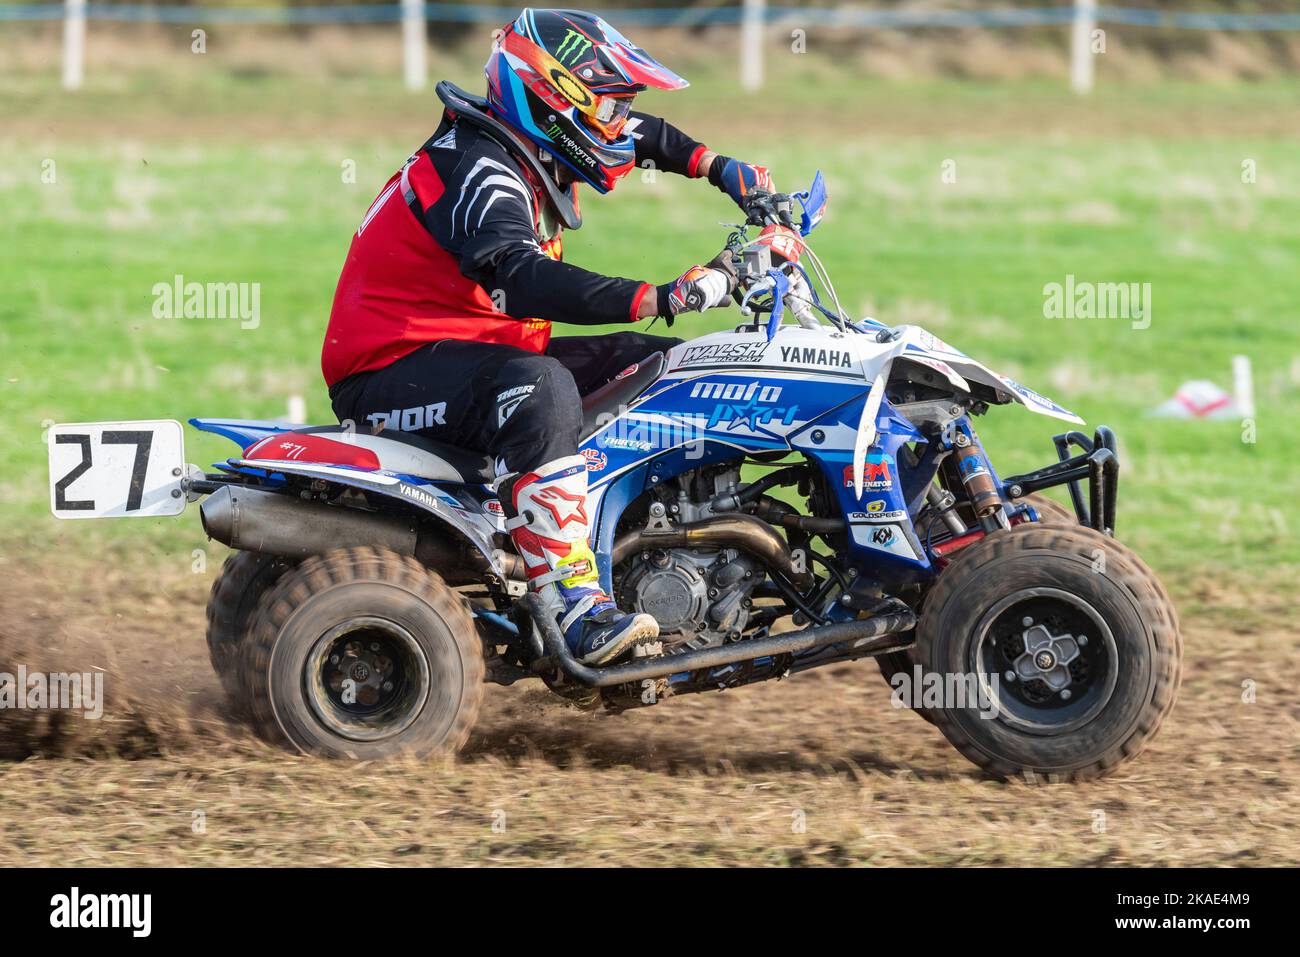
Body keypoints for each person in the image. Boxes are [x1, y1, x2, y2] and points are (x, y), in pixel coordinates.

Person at [322, 8, 775, 666]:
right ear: (553, 99)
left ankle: (655, 548)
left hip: (474, 351)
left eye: (620, 108)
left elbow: (641, 135)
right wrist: (656, 296)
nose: (619, 126)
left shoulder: (520, 143)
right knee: (541, 389)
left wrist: (718, 166)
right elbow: (520, 276)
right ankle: (570, 603)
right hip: (392, 372)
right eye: (608, 108)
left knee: (665, 367)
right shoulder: (479, 170)